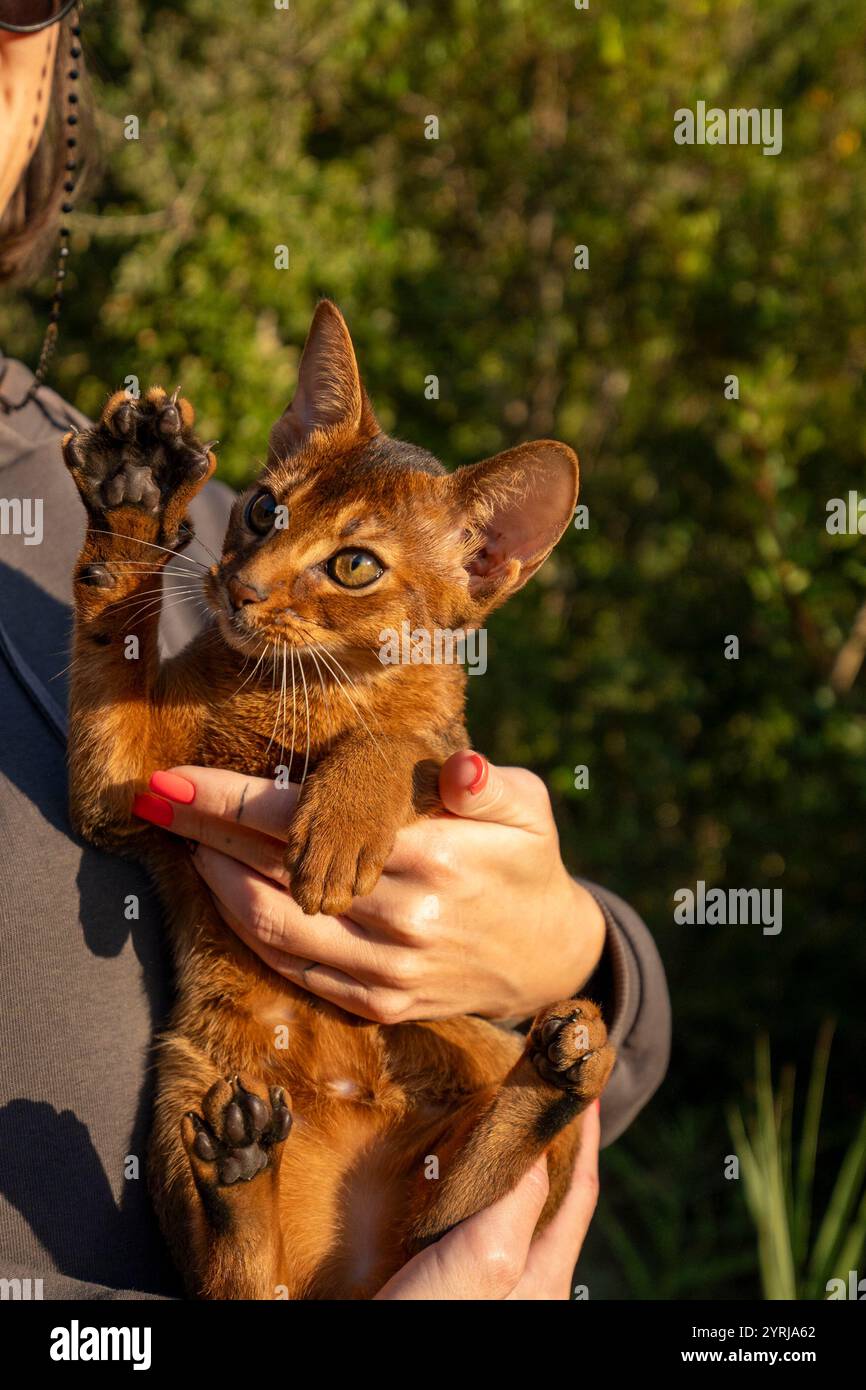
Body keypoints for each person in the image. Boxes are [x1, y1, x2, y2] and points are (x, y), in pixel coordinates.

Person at [0, 3, 670, 1300]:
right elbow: (113, 780)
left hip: (417, 1151)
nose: (250, 573)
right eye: (261, 518)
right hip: (250, 1201)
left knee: (485, 1089)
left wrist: (581, 955)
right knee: (220, 1105)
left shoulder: (154, 505)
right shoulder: (191, 542)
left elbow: (566, 954)